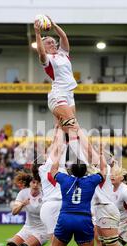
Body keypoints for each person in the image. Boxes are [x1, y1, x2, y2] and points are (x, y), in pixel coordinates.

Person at [40, 138, 106, 246]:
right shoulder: (91, 180)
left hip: (66, 218)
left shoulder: (65, 179)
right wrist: (101, 154)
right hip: (83, 219)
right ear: (85, 171)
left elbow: (53, 171)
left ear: (71, 170)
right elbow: (103, 172)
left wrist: (59, 154)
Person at [34, 15, 90, 165]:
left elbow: (63, 37)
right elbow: (40, 51)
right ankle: (88, 161)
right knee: (74, 127)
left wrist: (53, 24)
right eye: (48, 43)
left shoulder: (63, 54)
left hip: (69, 94)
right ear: (44, 47)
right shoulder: (47, 59)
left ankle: (50, 162)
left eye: (53, 41)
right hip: (58, 95)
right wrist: (38, 34)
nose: (52, 43)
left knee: (62, 130)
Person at [29, 127, 67, 246]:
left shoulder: (45, 167)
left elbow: (56, 145)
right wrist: (59, 127)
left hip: (51, 207)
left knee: (54, 245)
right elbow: (57, 145)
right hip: (53, 207)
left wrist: (58, 127)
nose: (47, 154)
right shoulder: (48, 165)